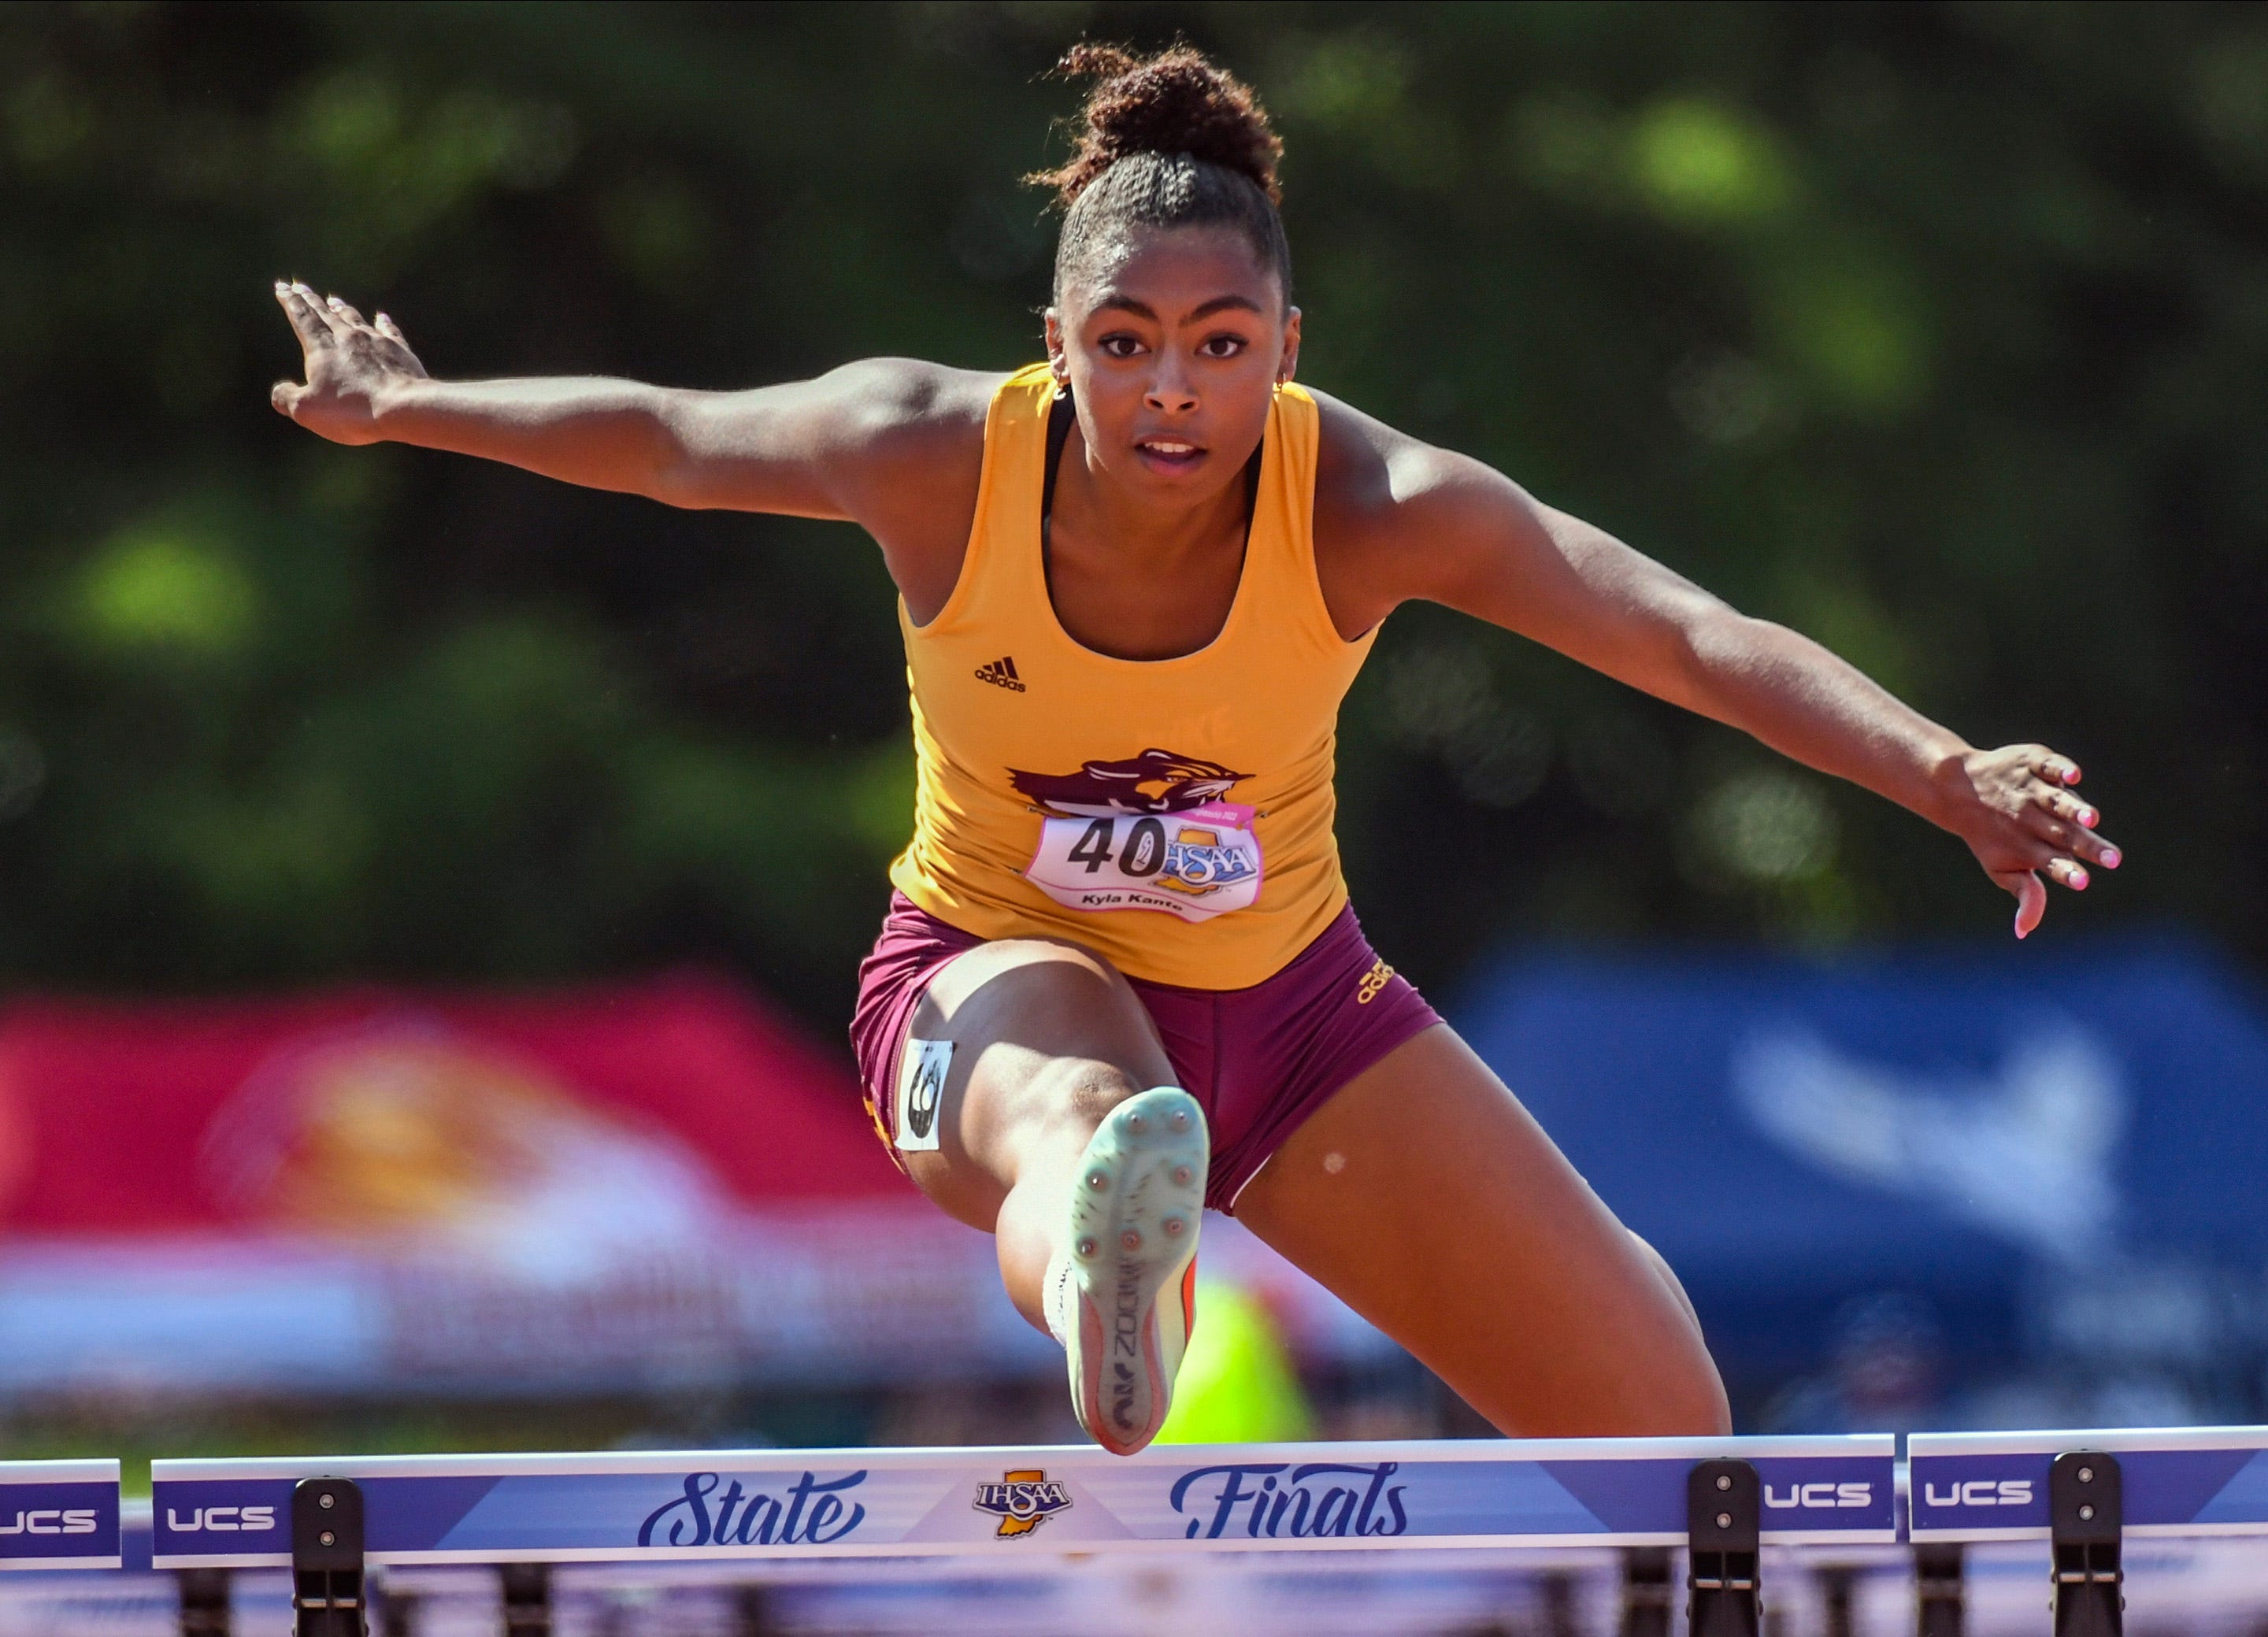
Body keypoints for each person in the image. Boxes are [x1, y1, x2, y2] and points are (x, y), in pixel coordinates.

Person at [267, 43, 2120, 1454]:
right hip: (993, 986)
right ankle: (1103, 1266)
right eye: (1130, 341)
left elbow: (1684, 633)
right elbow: (672, 434)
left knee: (1664, 1424)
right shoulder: (932, 450)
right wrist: (412, 405)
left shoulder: (1378, 498)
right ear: (1055, 343)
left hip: (1300, 1017)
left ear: (1287, 347)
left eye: (1223, 345)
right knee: (1090, 1123)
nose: (1174, 391)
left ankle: (1137, 1243)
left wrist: (1936, 770)